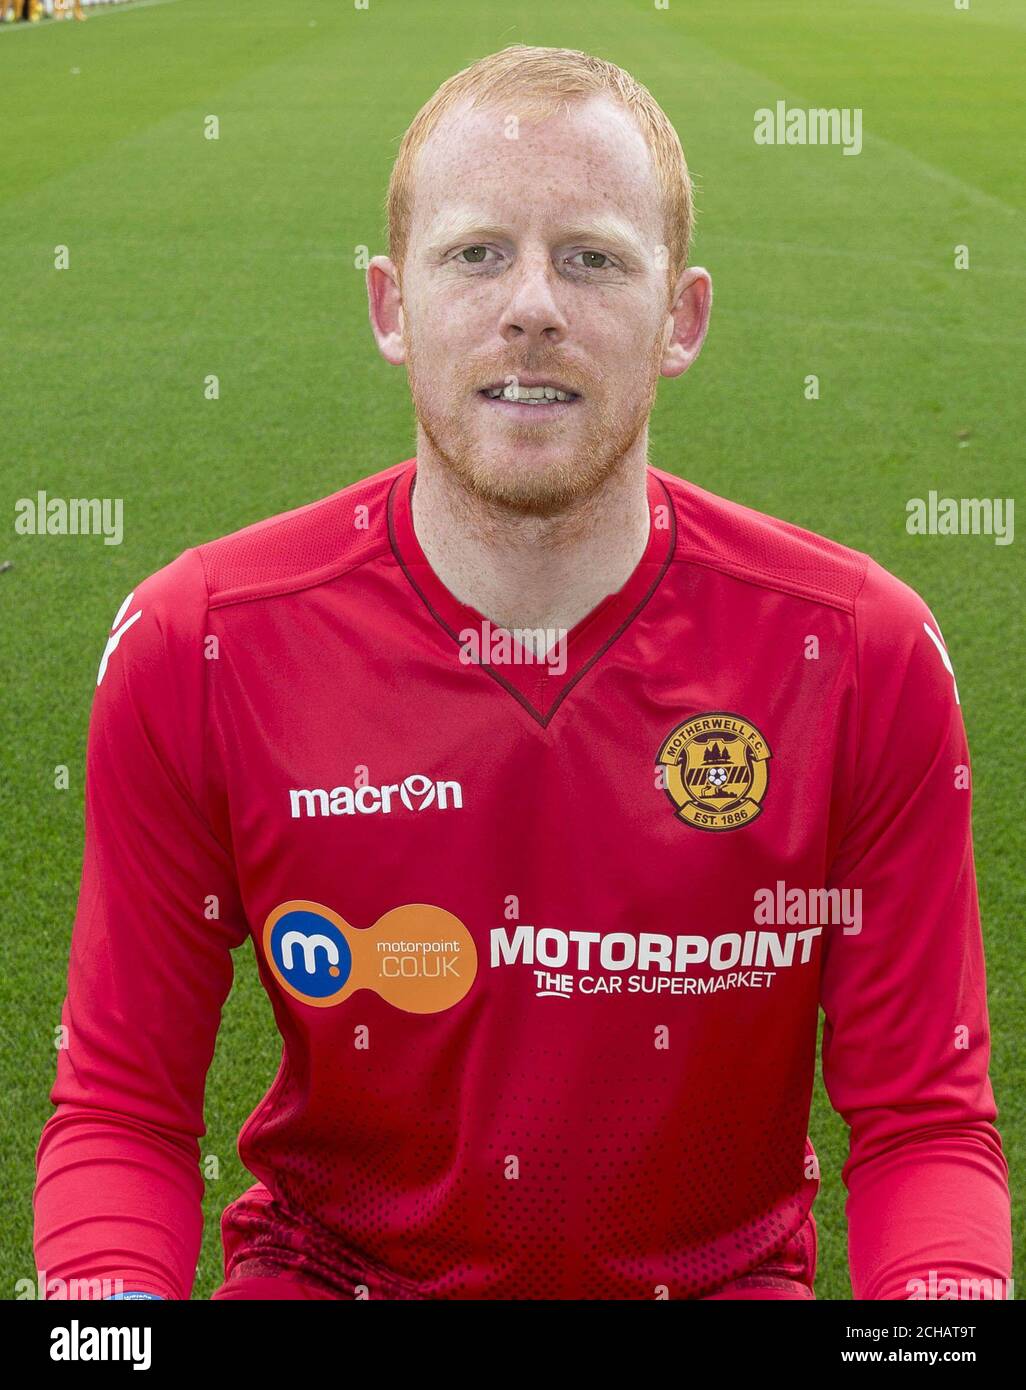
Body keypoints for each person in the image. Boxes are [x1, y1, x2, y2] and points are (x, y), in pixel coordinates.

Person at [33, 44, 1012, 1301]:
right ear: (391, 305)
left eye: (593, 258)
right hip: (340, 1278)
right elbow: (121, 1109)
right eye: (478, 252)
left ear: (682, 317)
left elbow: (924, 1123)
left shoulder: (860, 652)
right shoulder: (200, 642)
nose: (533, 304)